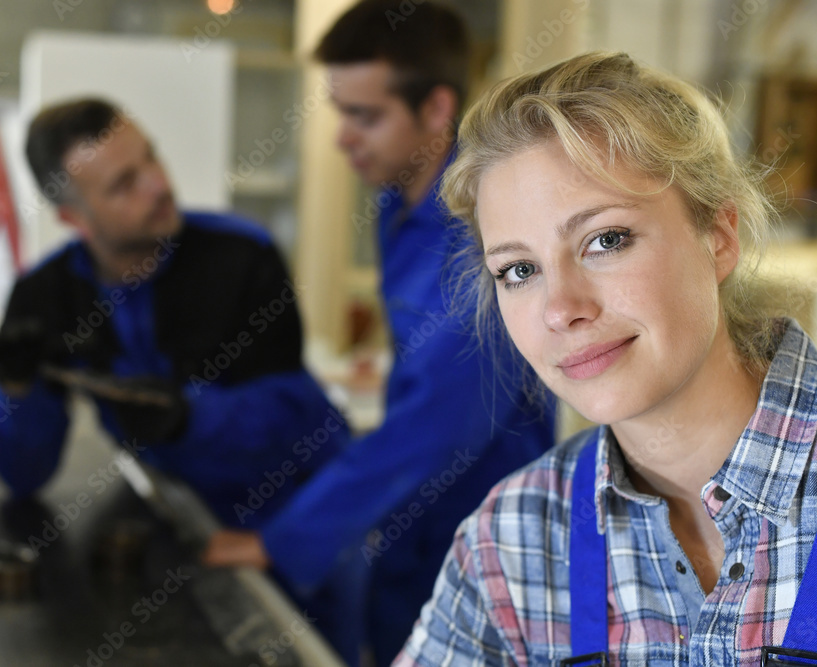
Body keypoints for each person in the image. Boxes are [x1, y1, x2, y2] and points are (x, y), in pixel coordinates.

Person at [394, 50, 817, 665]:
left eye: (606, 240)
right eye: (519, 270)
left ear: (719, 237)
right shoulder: (514, 541)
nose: (561, 308)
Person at [202, 2, 557, 664]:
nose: (342, 137)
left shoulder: (479, 238)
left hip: (487, 551)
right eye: (340, 111)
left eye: (363, 115)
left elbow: (433, 424)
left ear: (435, 109)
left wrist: (283, 539)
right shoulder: (401, 203)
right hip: (416, 526)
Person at [0, 98, 360, 661]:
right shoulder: (44, 298)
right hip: (182, 521)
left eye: (151, 158)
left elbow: (293, 416)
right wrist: (17, 394)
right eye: (124, 183)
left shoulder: (242, 258)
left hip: (300, 518)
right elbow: (22, 477)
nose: (159, 184)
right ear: (74, 217)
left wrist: (190, 419)